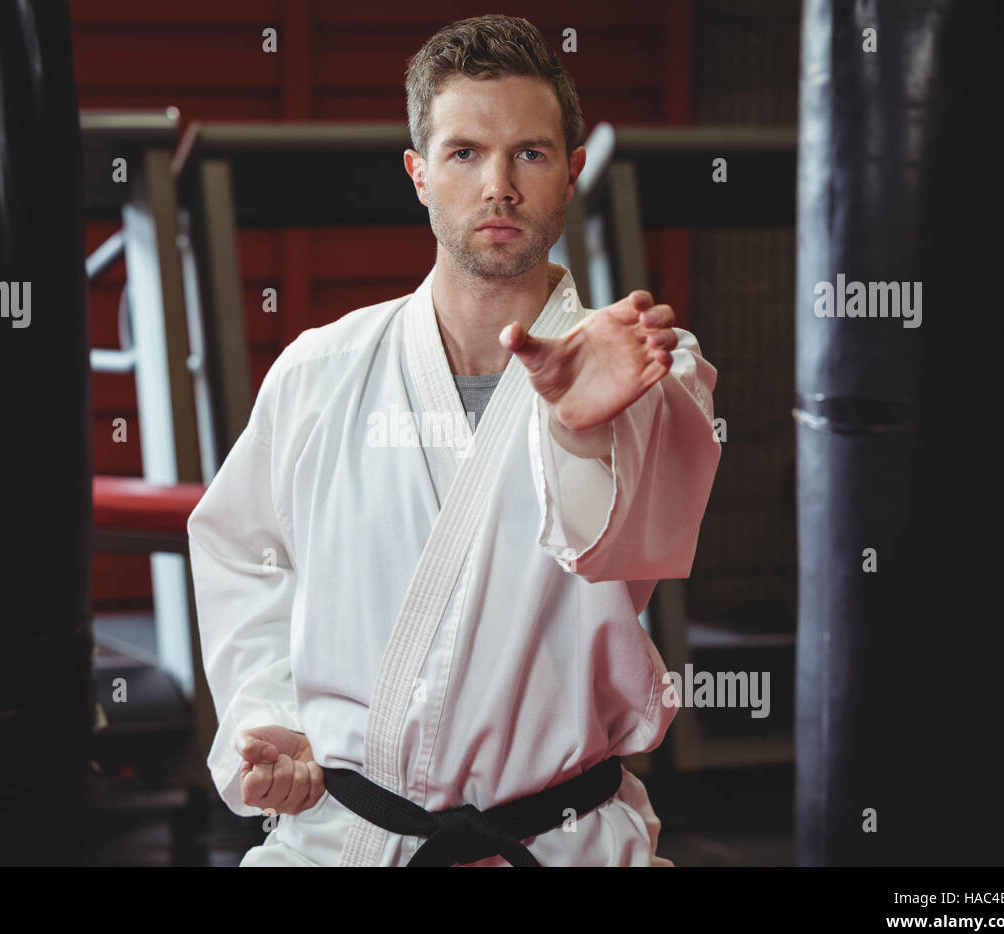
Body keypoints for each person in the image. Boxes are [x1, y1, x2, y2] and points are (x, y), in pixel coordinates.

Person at [187, 13, 721, 866]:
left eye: (532, 154)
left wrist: (578, 431)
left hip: (563, 842)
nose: (498, 185)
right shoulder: (319, 372)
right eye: (465, 152)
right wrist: (266, 717)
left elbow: (625, 547)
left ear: (572, 173)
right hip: (346, 839)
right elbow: (242, 556)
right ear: (420, 174)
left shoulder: (653, 367)